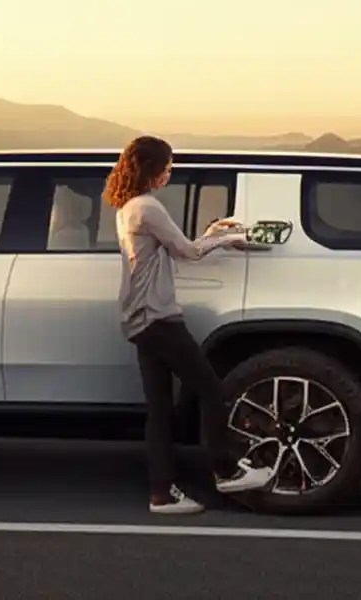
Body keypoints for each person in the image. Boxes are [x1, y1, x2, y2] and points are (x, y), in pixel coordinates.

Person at [105, 135, 275, 514]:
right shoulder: (148, 206)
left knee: (160, 410)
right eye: (167, 167)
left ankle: (161, 493)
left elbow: (178, 247)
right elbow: (189, 252)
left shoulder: (127, 207)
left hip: (138, 318)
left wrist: (213, 234)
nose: (169, 172)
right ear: (152, 169)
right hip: (159, 317)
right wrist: (230, 238)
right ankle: (225, 470)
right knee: (211, 391)